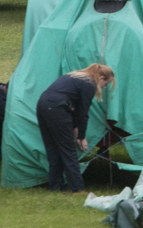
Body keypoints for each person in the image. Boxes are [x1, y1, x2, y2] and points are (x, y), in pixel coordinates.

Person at [35, 63, 115, 193]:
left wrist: (76, 128)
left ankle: (56, 187)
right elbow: (83, 112)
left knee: (53, 149)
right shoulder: (89, 83)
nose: (103, 87)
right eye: (105, 84)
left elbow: (74, 107)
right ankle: (77, 189)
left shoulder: (75, 76)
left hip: (43, 105)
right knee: (68, 151)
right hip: (58, 108)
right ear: (101, 77)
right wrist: (81, 137)